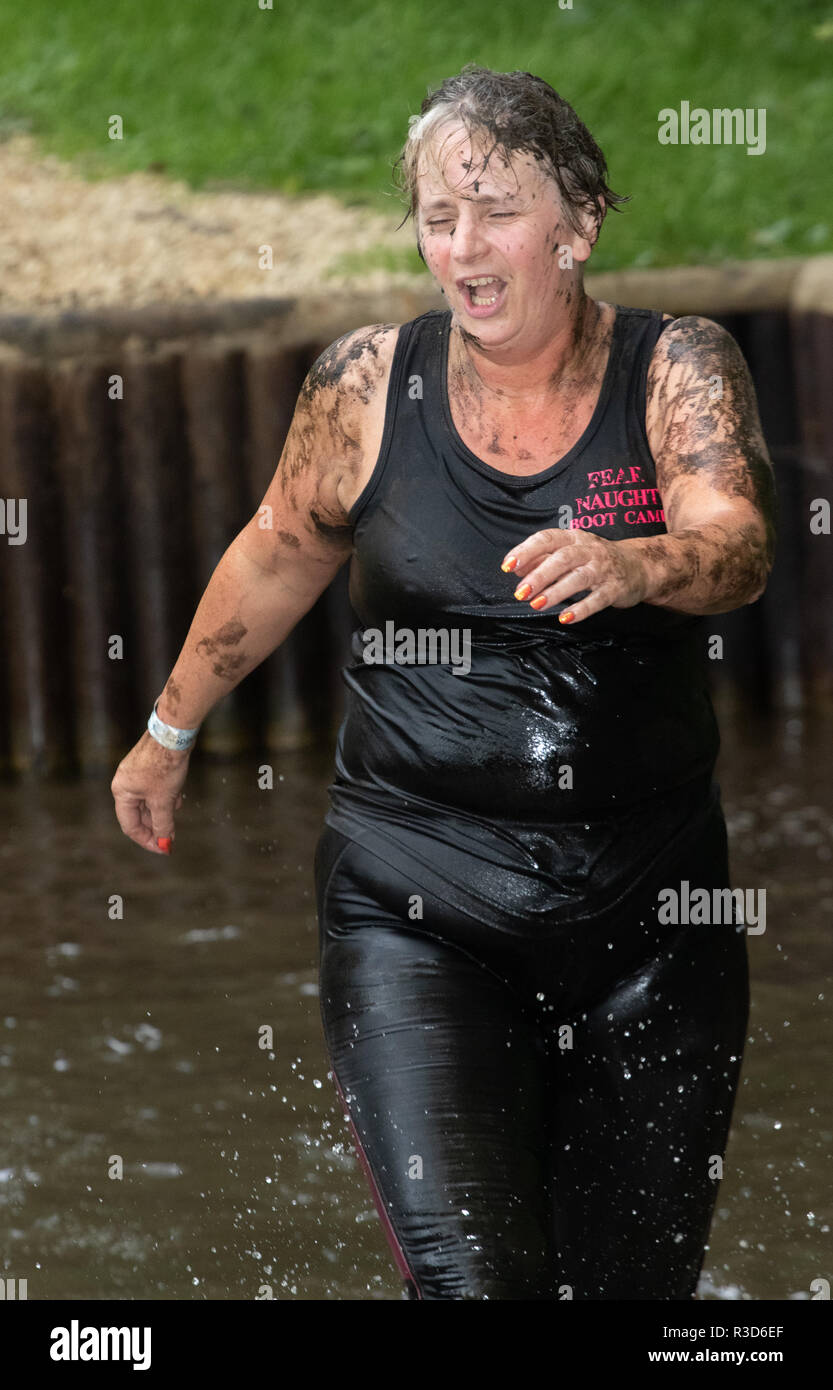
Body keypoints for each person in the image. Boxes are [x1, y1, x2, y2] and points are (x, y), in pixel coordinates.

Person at [111, 65, 776, 1300]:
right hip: (416, 907)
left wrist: (636, 563)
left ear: (576, 225)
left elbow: (736, 545)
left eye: (493, 210)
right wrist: (166, 727)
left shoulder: (673, 366)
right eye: (435, 215)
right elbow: (276, 546)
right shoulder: (365, 387)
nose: (460, 248)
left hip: (650, 917)